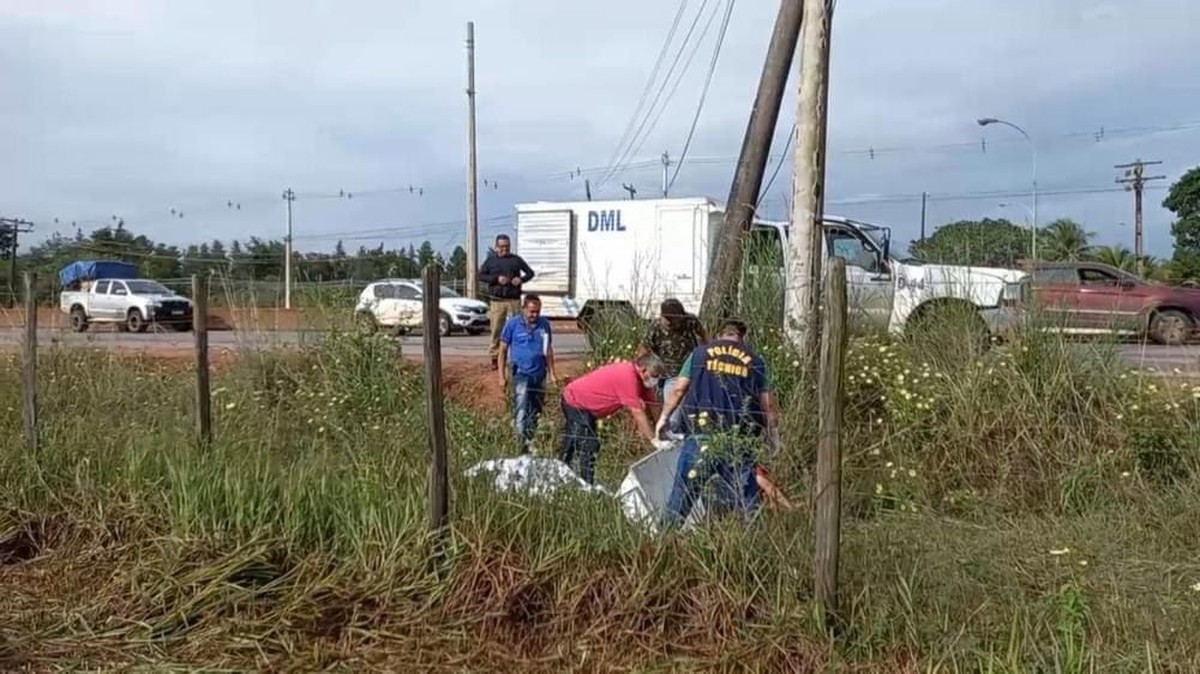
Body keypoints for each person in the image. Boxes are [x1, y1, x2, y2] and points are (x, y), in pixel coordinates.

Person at [655, 318, 780, 528]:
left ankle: (662, 544)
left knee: (681, 498)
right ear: (742, 337)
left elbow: (678, 390)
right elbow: (767, 405)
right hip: (739, 440)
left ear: (719, 335)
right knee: (746, 502)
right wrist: (774, 436)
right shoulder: (756, 361)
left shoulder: (700, 353)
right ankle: (753, 547)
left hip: (701, 436)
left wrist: (664, 418)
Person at [559, 353, 667, 484]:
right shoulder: (628, 376)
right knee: (588, 445)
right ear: (643, 370)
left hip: (586, 408)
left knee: (575, 438)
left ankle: (562, 470)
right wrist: (654, 440)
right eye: (654, 376)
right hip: (576, 401)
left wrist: (664, 431)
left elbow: (654, 407)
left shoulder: (642, 381)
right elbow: (638, 412)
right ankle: (584, 484)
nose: (655, 380)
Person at [635, 298, 708, 435]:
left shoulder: (690, 321)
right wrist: (639, 369)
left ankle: (682, 432)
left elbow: (704, 335)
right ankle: (670, 434)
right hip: (667, 374)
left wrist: (708, 352)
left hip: (689, 370)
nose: (673, 322)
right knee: (671, 409)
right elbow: (644, 349)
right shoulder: (656, 327)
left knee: (686, 410)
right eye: (670, 319)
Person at [498, 295, 557, 453]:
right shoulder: (513, 324)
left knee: (536, 410)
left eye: (537, 312)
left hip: (539, 374)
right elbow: (502, 351)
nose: (535, 315)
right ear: (524, 309)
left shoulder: (544, 324)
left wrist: (552, 374)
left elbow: (548, 350)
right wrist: (501, 376)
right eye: (531, 312)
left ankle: (531, 440)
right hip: (521, 374)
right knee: (521, 409)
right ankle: (519, 443)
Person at [478, 233, 535, 369]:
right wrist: (496, 279)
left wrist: (521, 279)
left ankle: (518, 357)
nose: (505, 249)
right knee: (496, 329)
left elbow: (530, 273)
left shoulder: (516, 260)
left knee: (518, 329)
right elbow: (480, 275)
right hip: (497, 301)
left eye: (507, 247)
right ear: (496, 247)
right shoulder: (490, 261)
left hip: (514, 300)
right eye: (502, 247)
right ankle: (494, 358)